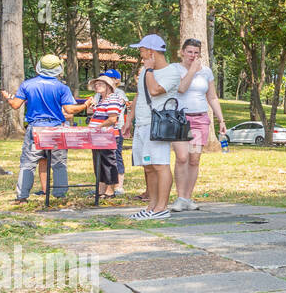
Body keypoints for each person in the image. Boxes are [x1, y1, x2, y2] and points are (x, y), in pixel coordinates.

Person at [1, 55, 87, 202]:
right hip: (56, 128)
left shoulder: (27, 84)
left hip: (36, 127)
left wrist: (8, 97)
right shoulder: (62, 87)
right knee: (59, 163)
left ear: (40, 66)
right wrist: (85, 105)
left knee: (28, 163)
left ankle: (22, 197)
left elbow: (15, 105)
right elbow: (70, 110)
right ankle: (60, 195)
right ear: (58, 69)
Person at [123, 35, 184, 220]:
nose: (140, 55)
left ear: (151, 52)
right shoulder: (144, 72)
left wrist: (149, 70)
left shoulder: (171, 72)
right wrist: (129, 121)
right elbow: (139, 96)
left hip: (158, 124)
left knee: (160, 164)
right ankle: (151, 206)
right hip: (141, 123)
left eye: (142, 51)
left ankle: (161, 208)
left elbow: (155, 90)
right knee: (148, 166)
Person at [172, 38, 227, 211]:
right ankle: (179, 198)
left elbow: (212, 97)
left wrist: (221, 119)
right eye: (189, 52)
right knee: (182, 157)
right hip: (181, 119)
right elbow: (181, 88)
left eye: (196, 53)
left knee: (194, 159)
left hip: (200, 119)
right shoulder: (175, 69)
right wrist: (192, 71)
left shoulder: (206, 72)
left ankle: (187, 198)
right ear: (182, 52)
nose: (192, 55)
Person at [85, 74, 126, 196]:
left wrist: (97, 128)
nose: (97, 86)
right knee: (99, 163)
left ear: (109, 86)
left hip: (108, 137)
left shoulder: (112, 98)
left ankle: (109, 190)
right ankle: (101, 189)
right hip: (98, 137)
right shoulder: (101, 100)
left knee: (108, 164)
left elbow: (113, 119)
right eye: (96, 84)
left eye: (101, 84)